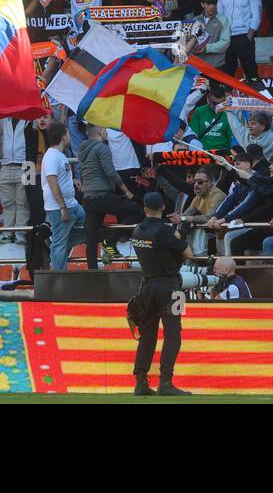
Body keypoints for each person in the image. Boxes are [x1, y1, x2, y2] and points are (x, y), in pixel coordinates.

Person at [130, 190, 192, 395]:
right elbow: (188, 254)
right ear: (164, 208)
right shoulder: (165, 231)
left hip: (146, 287)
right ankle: (165, 382)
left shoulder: (137, 230)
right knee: (173, 334)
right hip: (170, 287)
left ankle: (140, 383)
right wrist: (181, 233)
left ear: (145, 209)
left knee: (147, 336)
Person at [77, 124, 141, 269]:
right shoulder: (102, 148)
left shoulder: (82, 149)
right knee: (138, 211)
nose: (107, 133)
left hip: (88, 198)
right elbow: (111, 172)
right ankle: (110, 240)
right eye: (105, 130)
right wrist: (127, 191)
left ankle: (92, 272)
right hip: (102, 196)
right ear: (100, 131)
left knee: (92, 238)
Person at [42, 124, 84, 270]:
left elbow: (58, 178)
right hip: (60, 207)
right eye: (68, 133)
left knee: (89, 228)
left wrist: (72, 181)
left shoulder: (60, 155)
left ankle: (56, 242)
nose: (70, 136)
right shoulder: (52, 156)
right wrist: (63, 208)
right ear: (63, 136)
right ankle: (59, 278)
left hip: (72, 204)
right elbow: (52, 183)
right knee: (60, 244)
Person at [218, 0, 263, 80]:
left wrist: (249, 35)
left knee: (251, 72)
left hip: (244, 35)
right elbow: (219, 17)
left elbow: (257, 15)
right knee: (227, 73)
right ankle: (226, 97)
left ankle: (256, 96)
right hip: (227, 38)